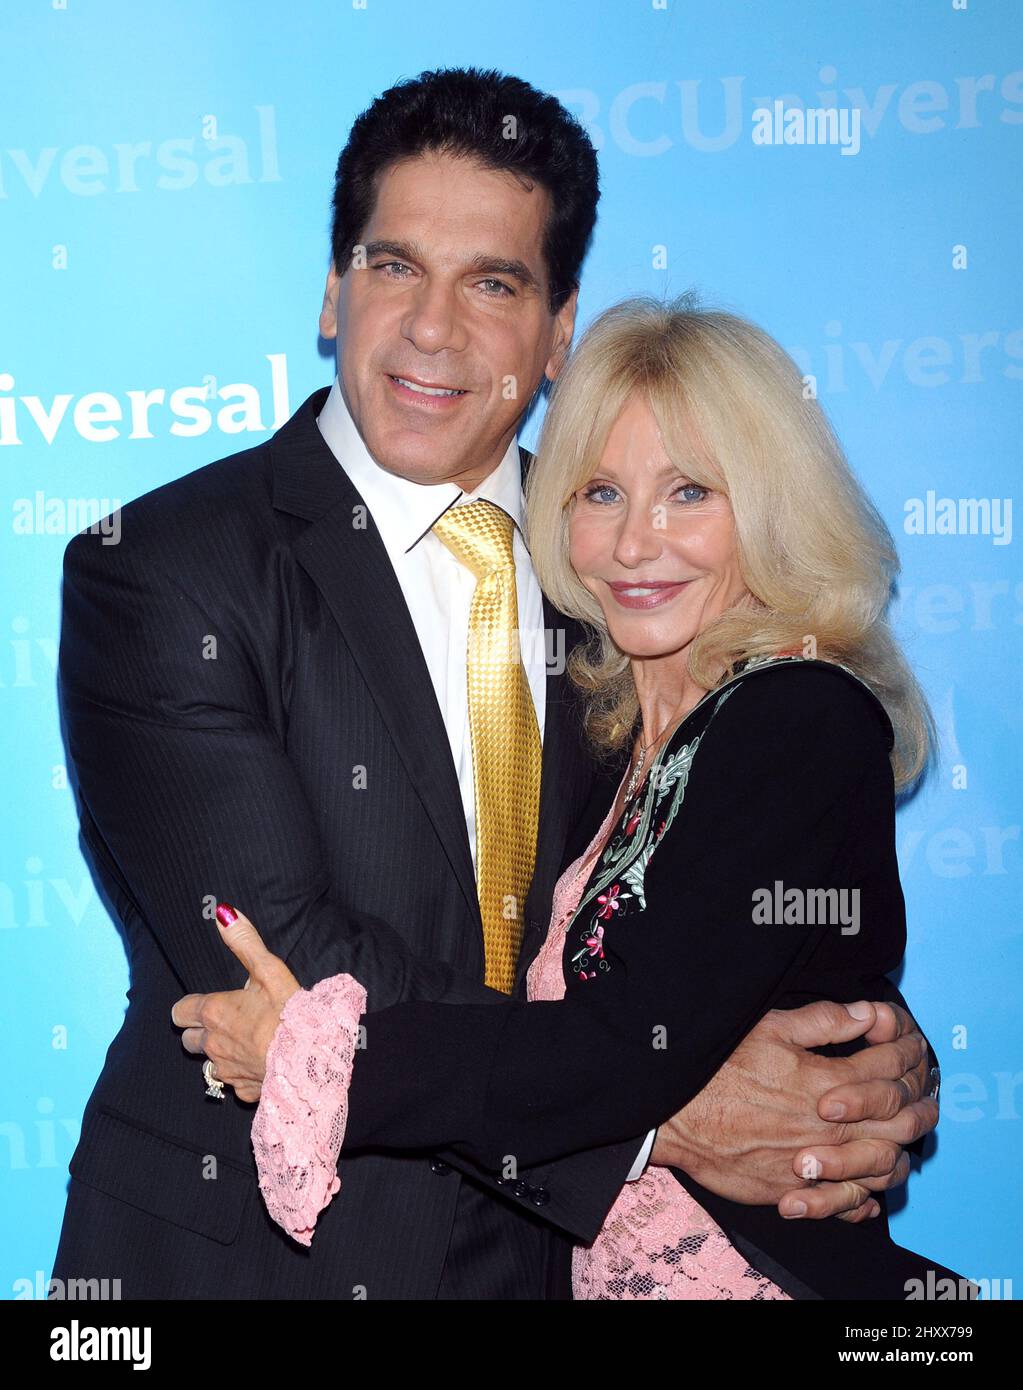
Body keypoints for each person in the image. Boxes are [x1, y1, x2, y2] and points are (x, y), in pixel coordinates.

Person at [53, 68, 936, 1303]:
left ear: (560, 328)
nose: (432, 328)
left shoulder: (619, 578)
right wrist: (658, 1104)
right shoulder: (166, 569)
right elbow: (282, 963)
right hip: (259, 1263)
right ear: (332, 287)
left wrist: (860, 1054)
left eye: (494, 284)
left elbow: (714, 910)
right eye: (396, 266)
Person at [179, 295, 964, 1299]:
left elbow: (626, 1051)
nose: (636, 543)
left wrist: (327, 1058)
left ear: (771, 506)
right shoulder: (606, 731)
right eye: (600, 492)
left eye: (690, 492)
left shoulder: (796, 718)